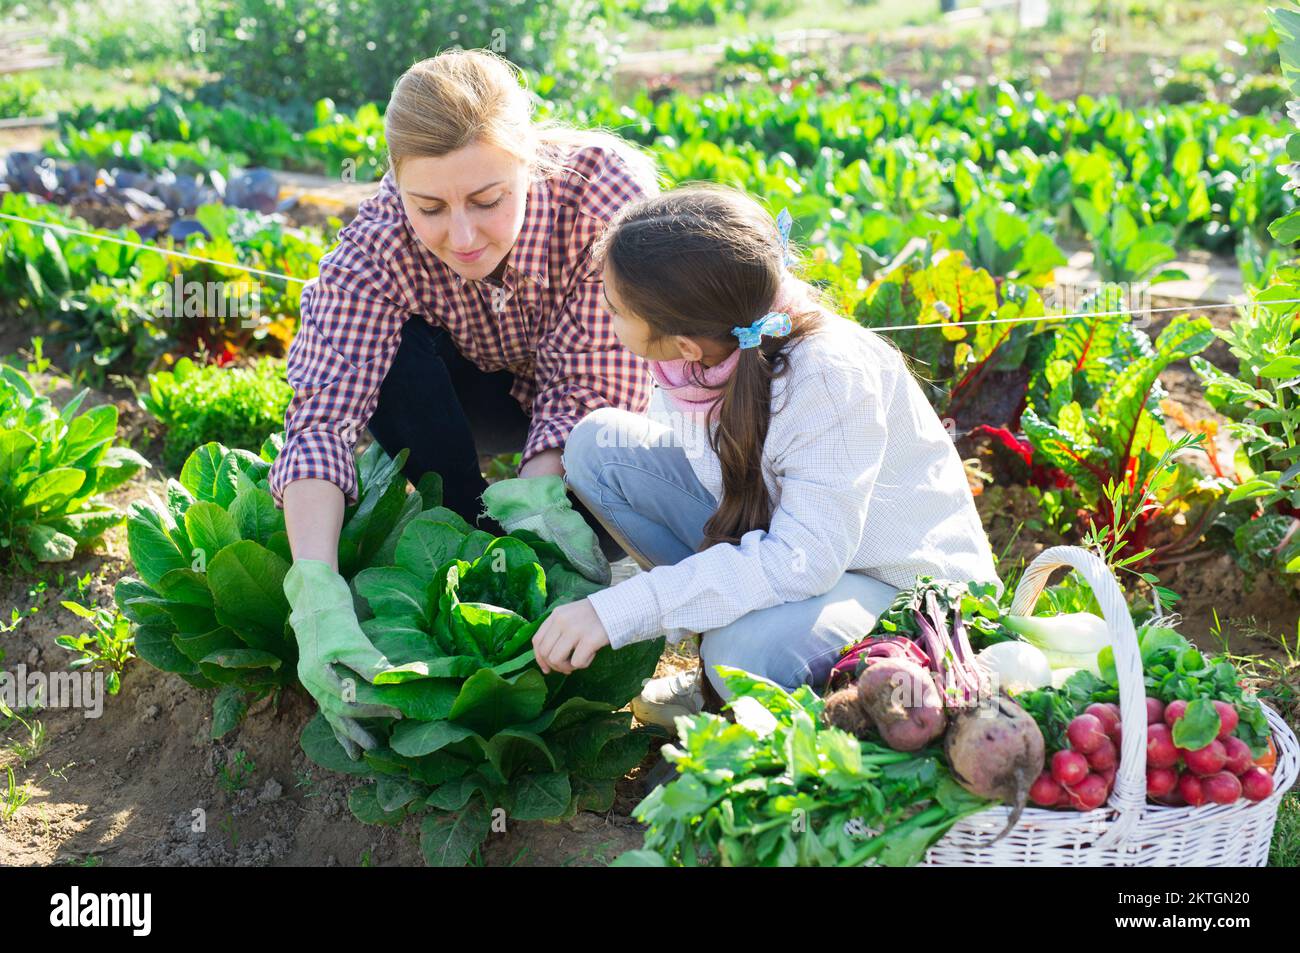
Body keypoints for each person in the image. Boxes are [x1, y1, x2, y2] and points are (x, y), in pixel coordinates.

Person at [275, 49, 658, 756]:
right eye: (429, 206)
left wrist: (541, 511)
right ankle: (465, 524)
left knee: (592, 523)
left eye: (488, 200)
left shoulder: (602, 192)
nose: (461, 235)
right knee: (386, 360)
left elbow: (587, 383)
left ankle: (525, 539)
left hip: (602, 404)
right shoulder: (377, 243)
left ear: (530, 163)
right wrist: (316, 590)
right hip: (478, 390)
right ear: (395, 183)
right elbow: (322, 420)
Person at [528, 184, 1003, 729]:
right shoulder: (707, 352)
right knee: (597, 448)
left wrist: (623, 610)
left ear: (684, 343)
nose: (606, 317)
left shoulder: (826, 375)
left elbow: (802, 559)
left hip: (896, 585)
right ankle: (731, 654)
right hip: (793, 539)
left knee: (742, 655)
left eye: (613, 309)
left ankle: (757, 684)